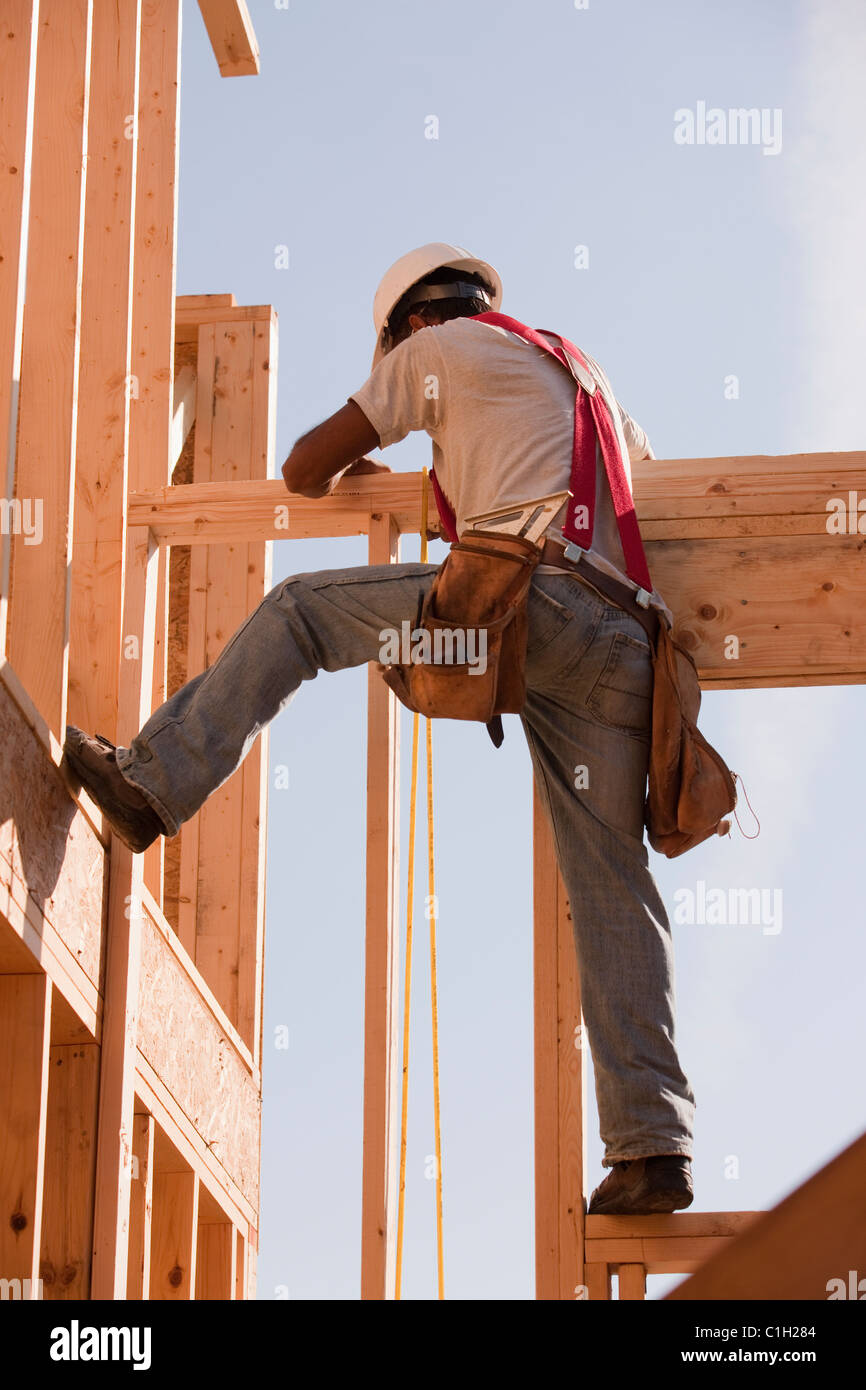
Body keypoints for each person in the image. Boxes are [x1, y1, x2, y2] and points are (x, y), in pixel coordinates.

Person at [64, 242, 695, 1217]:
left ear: (406, 326)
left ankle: (150, 784)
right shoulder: (577, 371)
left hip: (527, 615)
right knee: (613, 887)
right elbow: (637, 480)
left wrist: (365, 431)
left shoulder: (429, 353)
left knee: (300, 612)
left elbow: (305, 466)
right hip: (622, 651)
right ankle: (651, 1146)